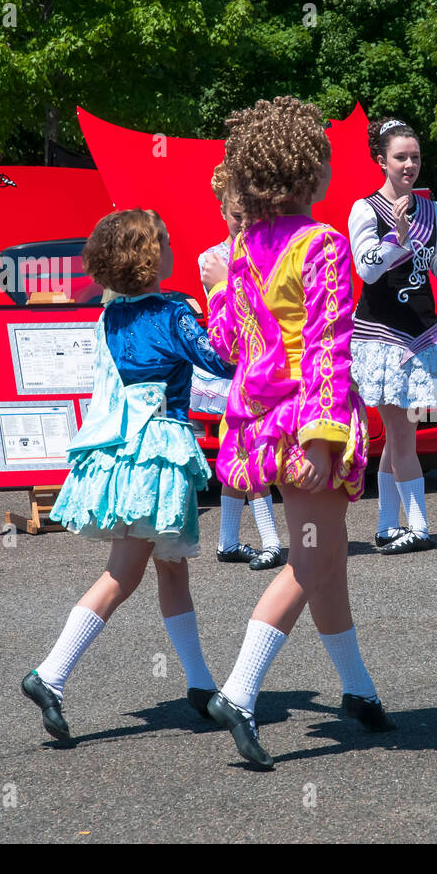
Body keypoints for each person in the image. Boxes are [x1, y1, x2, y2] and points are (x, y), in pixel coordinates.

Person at [207, 95, 394, 770]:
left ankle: (358, 691)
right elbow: (327, 345)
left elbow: (229, 339)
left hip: (263, 424)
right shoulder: (319, 244)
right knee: (311, 559)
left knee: (330, 559)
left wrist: (217, 290)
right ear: (308, 172)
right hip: (308, 427)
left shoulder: (241, 245)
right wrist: (320, 440)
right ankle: (239, 690)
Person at [21, 209, 235, 740]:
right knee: (125, 573)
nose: (170, 245)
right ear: (148, 255)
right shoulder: (174, 312)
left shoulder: (112, 315)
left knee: (171, 569)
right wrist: (223, 293)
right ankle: (50, 673)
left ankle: (201, 685)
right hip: (157, 453)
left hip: (125, 450)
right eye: (163, 239)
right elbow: (224, 360)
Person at [348, 116, 437, 554]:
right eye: (401, 157)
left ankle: (389, 524)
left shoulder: (432, 209)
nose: (410, 165)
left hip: (421, 332)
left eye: (415, 157)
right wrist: (398, 236)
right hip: (381, 334)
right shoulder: (365, 209)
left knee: (397, 433)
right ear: (381, 161)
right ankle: (419, 527)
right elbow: (366, 269)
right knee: (402, 433)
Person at [197, 163, 284, 570]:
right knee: (249, 454)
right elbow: (227, 325)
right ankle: (269, 540)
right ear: (221, 211)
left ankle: (228, 541)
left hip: (268, 365)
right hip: (238, 368)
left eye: (251, 213)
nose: (244, 222)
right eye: (236, 214)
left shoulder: (270, 252)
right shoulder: (213, 258)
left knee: (240, 453)